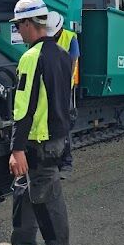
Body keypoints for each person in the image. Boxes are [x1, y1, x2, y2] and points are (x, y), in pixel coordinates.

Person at [0, 0, 76, 245]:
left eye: (18, 25)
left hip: (38, 142)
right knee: (24, 193)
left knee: (46, 200)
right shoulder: (62, 54)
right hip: (55, 137)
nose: (17, 31)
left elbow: (24, 107)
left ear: (30, 23)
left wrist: (16, 149)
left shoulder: (31, 58)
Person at [47, 11, 80, 179]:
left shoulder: (70, 37)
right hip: (51, 85)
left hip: (66, 86)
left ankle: (66, 163)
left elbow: (73, 61)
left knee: (64, 121)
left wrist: (64, 85)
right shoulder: (47, 36)